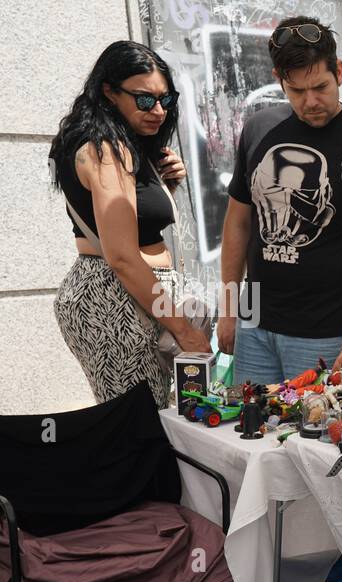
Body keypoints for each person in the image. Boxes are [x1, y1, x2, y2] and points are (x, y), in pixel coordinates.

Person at [217, 17, 342, 385]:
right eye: (296, 91)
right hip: (254, 329)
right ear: (280, 80)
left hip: (327, 339)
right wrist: (230, 309)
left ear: (338, 71)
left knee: (318, 442)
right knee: (250, 439)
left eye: (321, 87)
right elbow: (238, 224)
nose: (311, 102)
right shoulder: (259, 130)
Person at [49, 41, 208, 409]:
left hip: (129, 294)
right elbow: (122, 256)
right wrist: (184, 330)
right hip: (116, 296)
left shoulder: (128, 148)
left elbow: (133, 220)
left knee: (149, 422)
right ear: (109, 91)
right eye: (143, 99)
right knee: (137, 425)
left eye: (165, 101)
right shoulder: (107, 149)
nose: (157, 110)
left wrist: (164, 186)